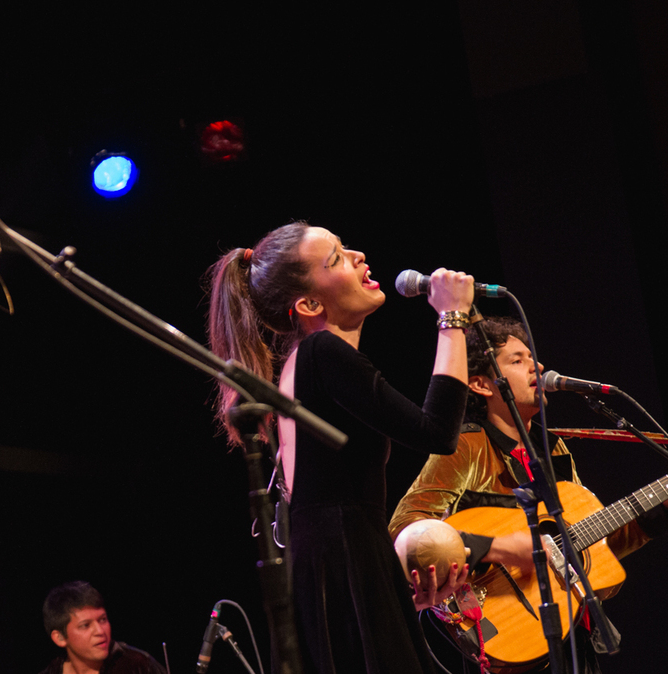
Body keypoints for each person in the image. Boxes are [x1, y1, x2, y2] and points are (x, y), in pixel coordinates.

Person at [205, 222, 476, 673]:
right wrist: (453, 318)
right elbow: (438, 433)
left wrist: (389, 590)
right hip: (343, 556)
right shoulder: (320, 353)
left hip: (338, 563)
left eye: (346, 246)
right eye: (336, 257)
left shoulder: (307, 364)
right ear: (309, 303)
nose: (357, 255)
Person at [389, 316, 668, 673]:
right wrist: (501, 548)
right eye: (517, 360)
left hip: (572, 635)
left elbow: (586, 544)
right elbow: (407, 531)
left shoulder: (554, 449)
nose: (537, 365)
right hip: (506, 626)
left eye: (532, 357)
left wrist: (656, 515)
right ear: (481, 385)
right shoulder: (466, 446)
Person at [38, 581, 167, 674]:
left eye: (102, 620)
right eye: (85, 625)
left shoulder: (139, 666)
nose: (100, 631)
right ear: (60, 638)